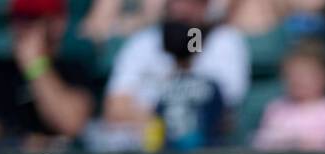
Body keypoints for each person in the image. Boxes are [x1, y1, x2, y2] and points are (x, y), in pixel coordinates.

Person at [102, 0, 249, 135]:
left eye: (192, 2)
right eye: (176, 1)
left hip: (204, 144)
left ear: (205, 5)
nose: (182, 8)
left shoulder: (221, 39)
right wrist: (163, 120)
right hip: (144, 144)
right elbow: (115, 107)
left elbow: (224, 106)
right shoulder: (144, 41)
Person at [0, 0, 96, 149]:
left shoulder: (74, 69)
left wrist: (35, 67)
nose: (21, 26)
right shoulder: (2, 71)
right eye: (17, 18)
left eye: (32, 18)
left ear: (57, 23)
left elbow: (71, 124)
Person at [252, 39, 325, 151]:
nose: (298, 81)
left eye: (306, 75)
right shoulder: (276, 108)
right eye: (293, 75)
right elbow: (262, 141)